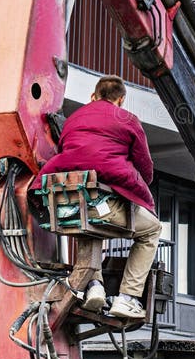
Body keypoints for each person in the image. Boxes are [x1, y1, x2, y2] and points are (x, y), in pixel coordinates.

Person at [32, 75, 162, 320]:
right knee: (152, 230)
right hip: (104, 205)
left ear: (93, 96)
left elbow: (66, 151)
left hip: (69, 205)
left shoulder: (73, 119)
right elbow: (145, 168)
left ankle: (95, 287)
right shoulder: (127, 119)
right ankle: (128, 297)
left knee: (87, 218)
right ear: (121, 99)